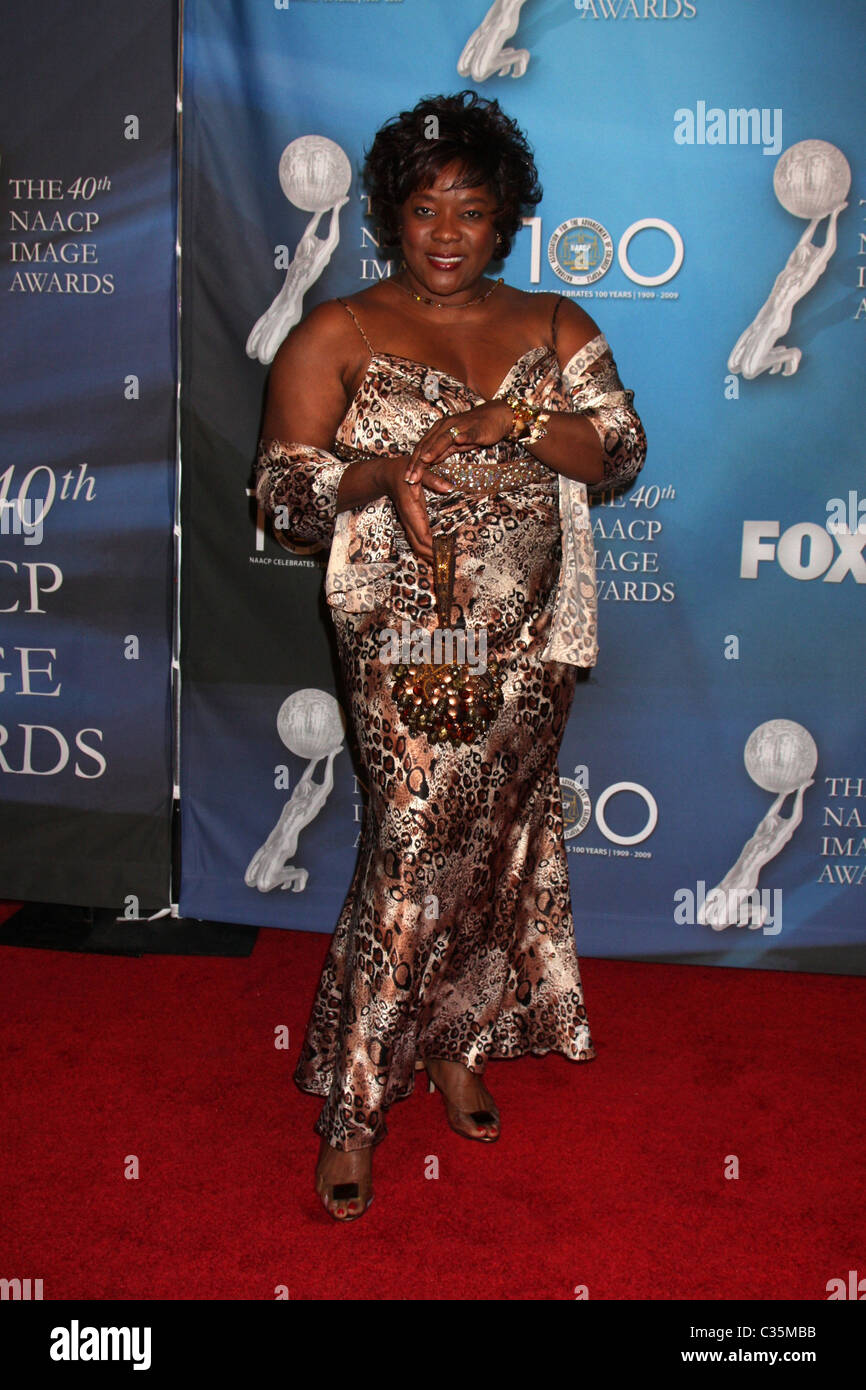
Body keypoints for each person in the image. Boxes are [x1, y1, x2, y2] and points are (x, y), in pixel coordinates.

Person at [255, 91, 647, 1222]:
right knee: (414, 841)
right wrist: (372, 476)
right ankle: (354, 1108)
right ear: (388, 214)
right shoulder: (336, 332)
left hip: (530, 643)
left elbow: (614, 455)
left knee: (496, 839)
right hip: (403, 636)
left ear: (504, 220)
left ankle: (455, 1040)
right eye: (422, 208)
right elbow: (284, 496)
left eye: (468, 211)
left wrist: (511, 422)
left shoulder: (556, 324)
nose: (442, 231)